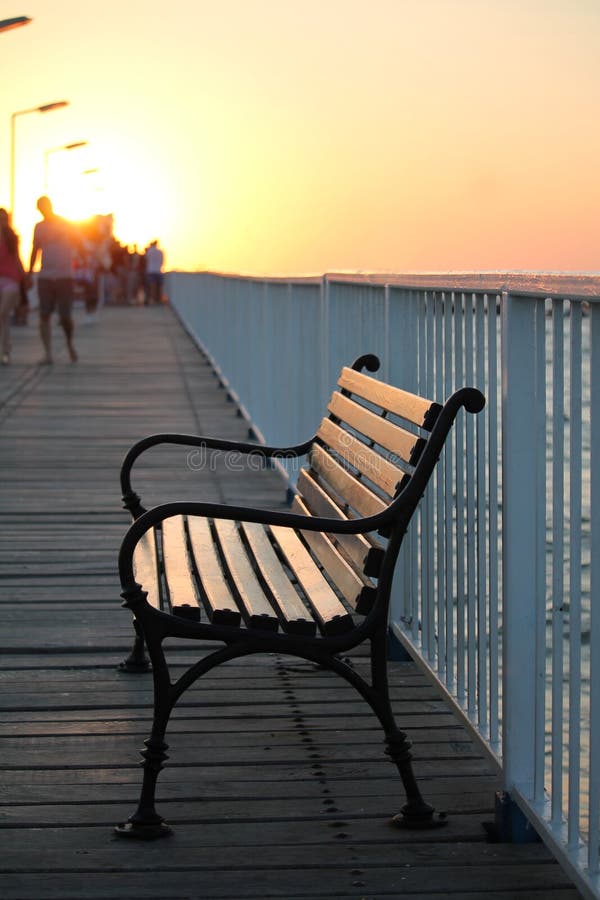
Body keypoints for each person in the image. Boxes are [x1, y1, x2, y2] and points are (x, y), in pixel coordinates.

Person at [28, 196, 79, 364]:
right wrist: (29, 273)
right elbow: (35, 250)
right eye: (40, 208)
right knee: (44, 315)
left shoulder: (66, 224)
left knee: (65, 316)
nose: (43, 210)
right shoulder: (38, 227)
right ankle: (48, 353)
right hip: (45, 276)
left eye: (45, 206)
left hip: (65, 275)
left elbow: (79, 243)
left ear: (50, 206)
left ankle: (69, 343)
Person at [0, 208, 26, 365]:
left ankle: (6, 350)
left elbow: (17, 259)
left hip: (11, 281)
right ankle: (5, 351)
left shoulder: (12, 238)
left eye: (4, 219)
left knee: (2, 313)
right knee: (4, 319)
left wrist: (25, 277)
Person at [144, 240, 164, 305]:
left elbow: (146, 259)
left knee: (152, 287)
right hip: (158, 271)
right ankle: (159, 300)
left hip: (151, 271)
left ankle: (153, 300)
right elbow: (162, 261)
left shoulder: (149, 251)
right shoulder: (160, 252)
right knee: (159, 287)